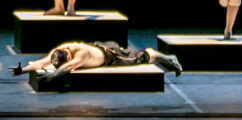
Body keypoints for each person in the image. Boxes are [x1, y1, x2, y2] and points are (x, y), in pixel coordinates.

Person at [9, 41, 183, 81]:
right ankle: (165, 58)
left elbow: (68, 67)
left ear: (68, 56)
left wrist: (53, 76)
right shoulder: (60, 50)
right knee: (140, 57)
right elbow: (41, 62)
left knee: (142, 57)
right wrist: (21, 70)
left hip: (111, 55)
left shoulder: (80, 54)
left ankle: (168, 58)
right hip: (98, 47)